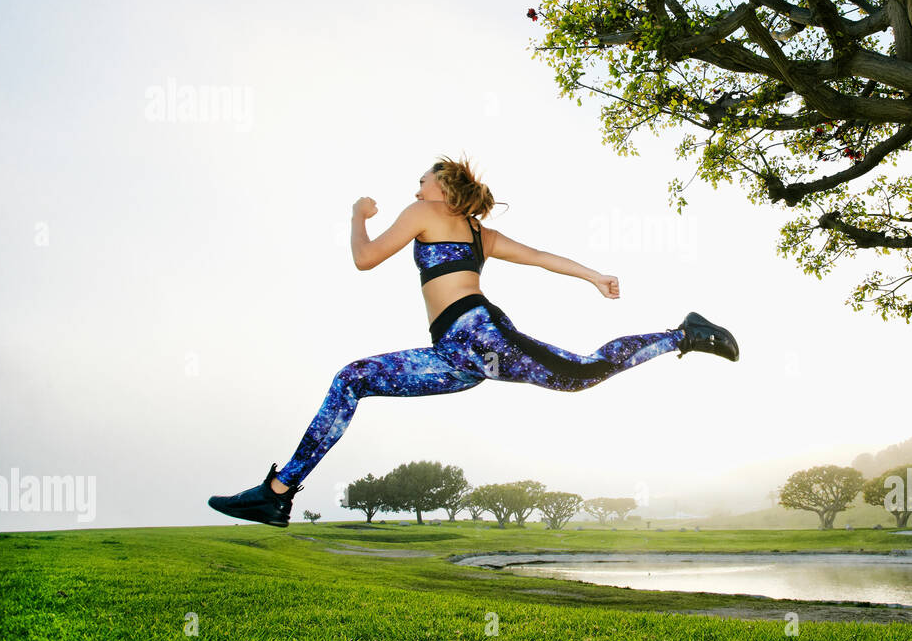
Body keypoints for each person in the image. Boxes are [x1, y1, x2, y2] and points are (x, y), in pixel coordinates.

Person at [208, 153, 738, 526]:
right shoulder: (475, 231)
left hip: (476, 334)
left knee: (580, 373)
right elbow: (541, 257)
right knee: (352, 379)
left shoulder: (430, 215)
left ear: (441, 185)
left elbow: (364, 258)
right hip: (453, 358)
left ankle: (681, 335)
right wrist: (593, 276)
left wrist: (356, 216)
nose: (413, 191)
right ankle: (276, 494)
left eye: (420, 181)